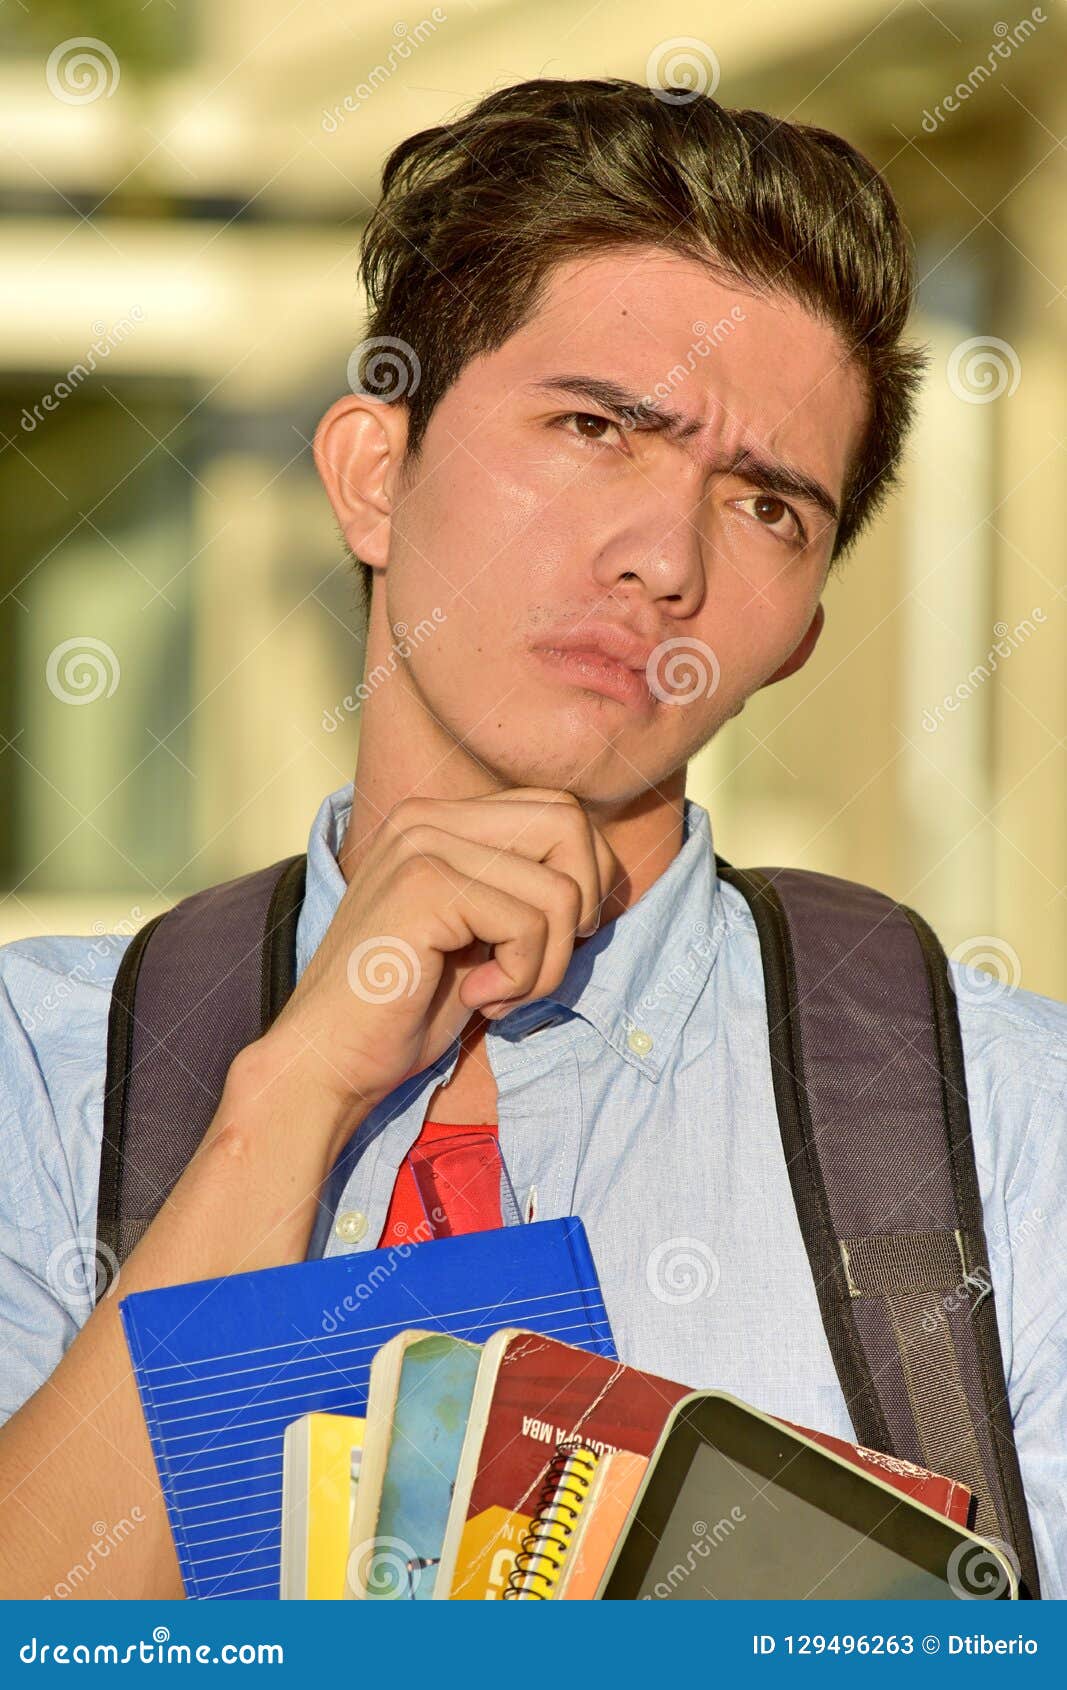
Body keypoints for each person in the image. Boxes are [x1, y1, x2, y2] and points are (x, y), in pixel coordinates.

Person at [0, 77, 1063, 1601]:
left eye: (766, 504)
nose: (665, 559)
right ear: (374, 472)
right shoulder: (44, 1077)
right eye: (594, 428)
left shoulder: (1003, 1125)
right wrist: (287, 1099)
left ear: (804, 635)